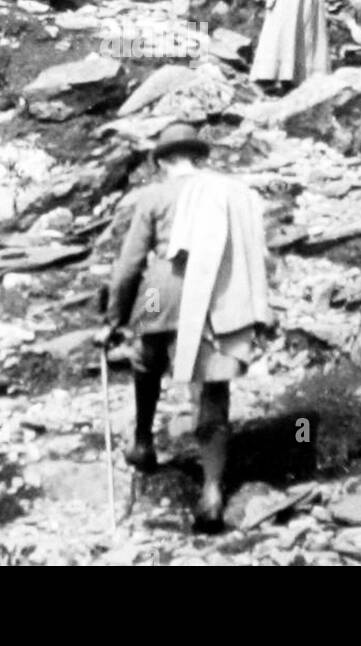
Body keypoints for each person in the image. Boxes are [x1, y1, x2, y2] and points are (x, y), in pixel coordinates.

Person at [97, 122, 273, 532]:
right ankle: (211, 491)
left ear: (161, 162)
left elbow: (129, 265)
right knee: (210, 391)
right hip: (213, 296)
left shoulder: (153, 196)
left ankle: (142, 441)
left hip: (163, 291)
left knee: (146, 352)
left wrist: (113, 320)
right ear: (198, 157)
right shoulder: (227, 192)